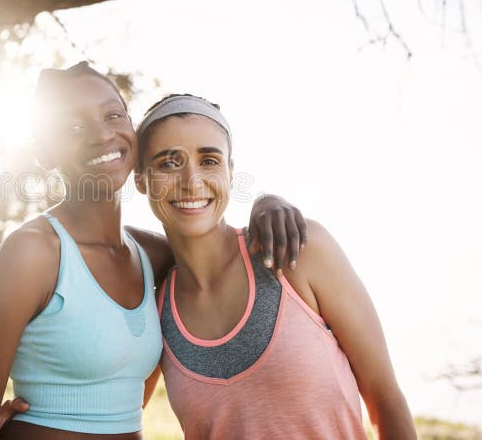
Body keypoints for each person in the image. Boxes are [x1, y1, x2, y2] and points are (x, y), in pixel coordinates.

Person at [0, 63, 308, 440]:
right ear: (44, 155)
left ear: (131, 131)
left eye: (112, 115)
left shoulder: (153, 255)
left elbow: (220, 247)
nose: (101, 135)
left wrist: (266, 201)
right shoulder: (32, 255)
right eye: (73, 127)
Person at [133, 94, 416, 439]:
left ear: (230, 173)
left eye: (209, 160)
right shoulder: (154, 314)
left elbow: (385, 399)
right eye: (168, 163)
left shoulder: (300, 252)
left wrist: (268, 198)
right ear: (141, 180)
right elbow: (118, 420)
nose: (192, 181)